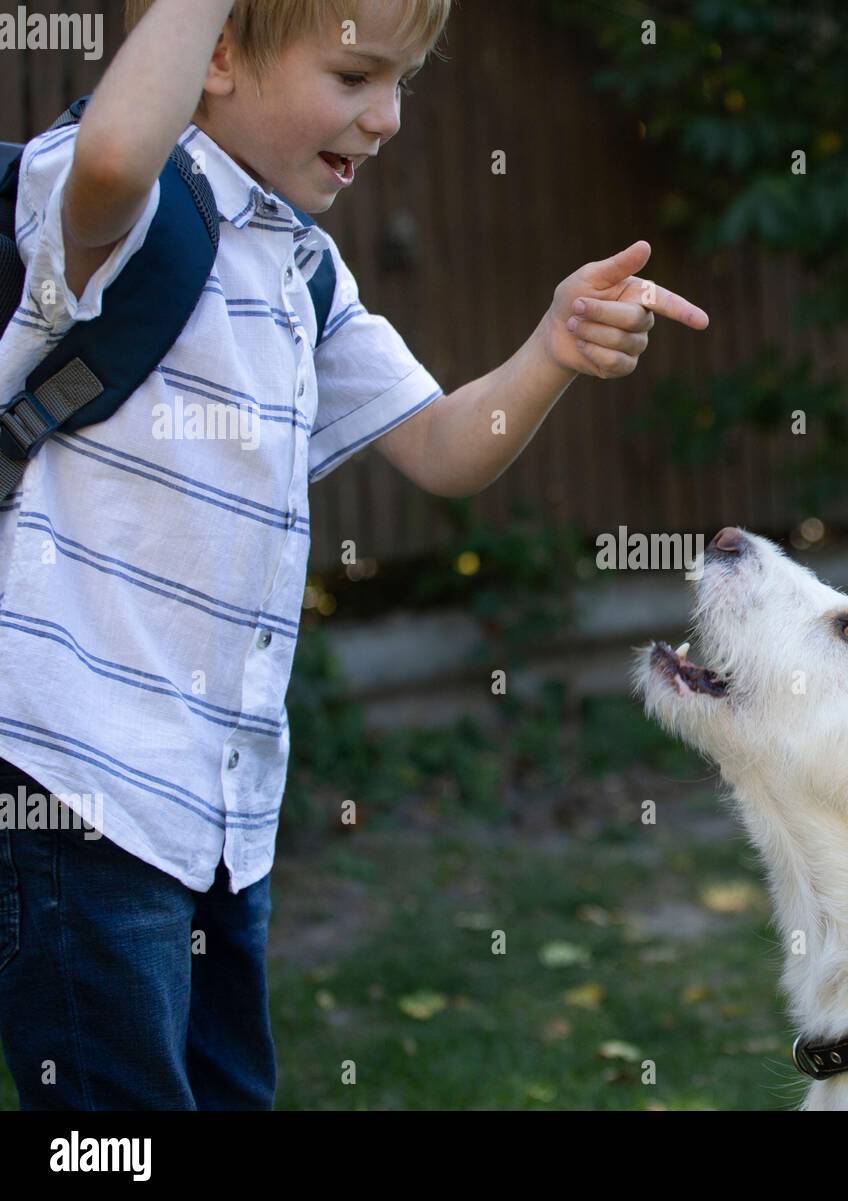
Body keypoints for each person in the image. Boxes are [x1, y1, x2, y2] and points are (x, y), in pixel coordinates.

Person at [0, 0, 709, 1110]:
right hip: (76, 783)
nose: (383, 119)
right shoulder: (121, 210)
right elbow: (116, 154)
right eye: (351, 76)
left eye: (402, 85)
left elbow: (438, 447)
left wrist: (551, 349)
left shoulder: (303, 270)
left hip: (220, 808)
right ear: (219, 54)